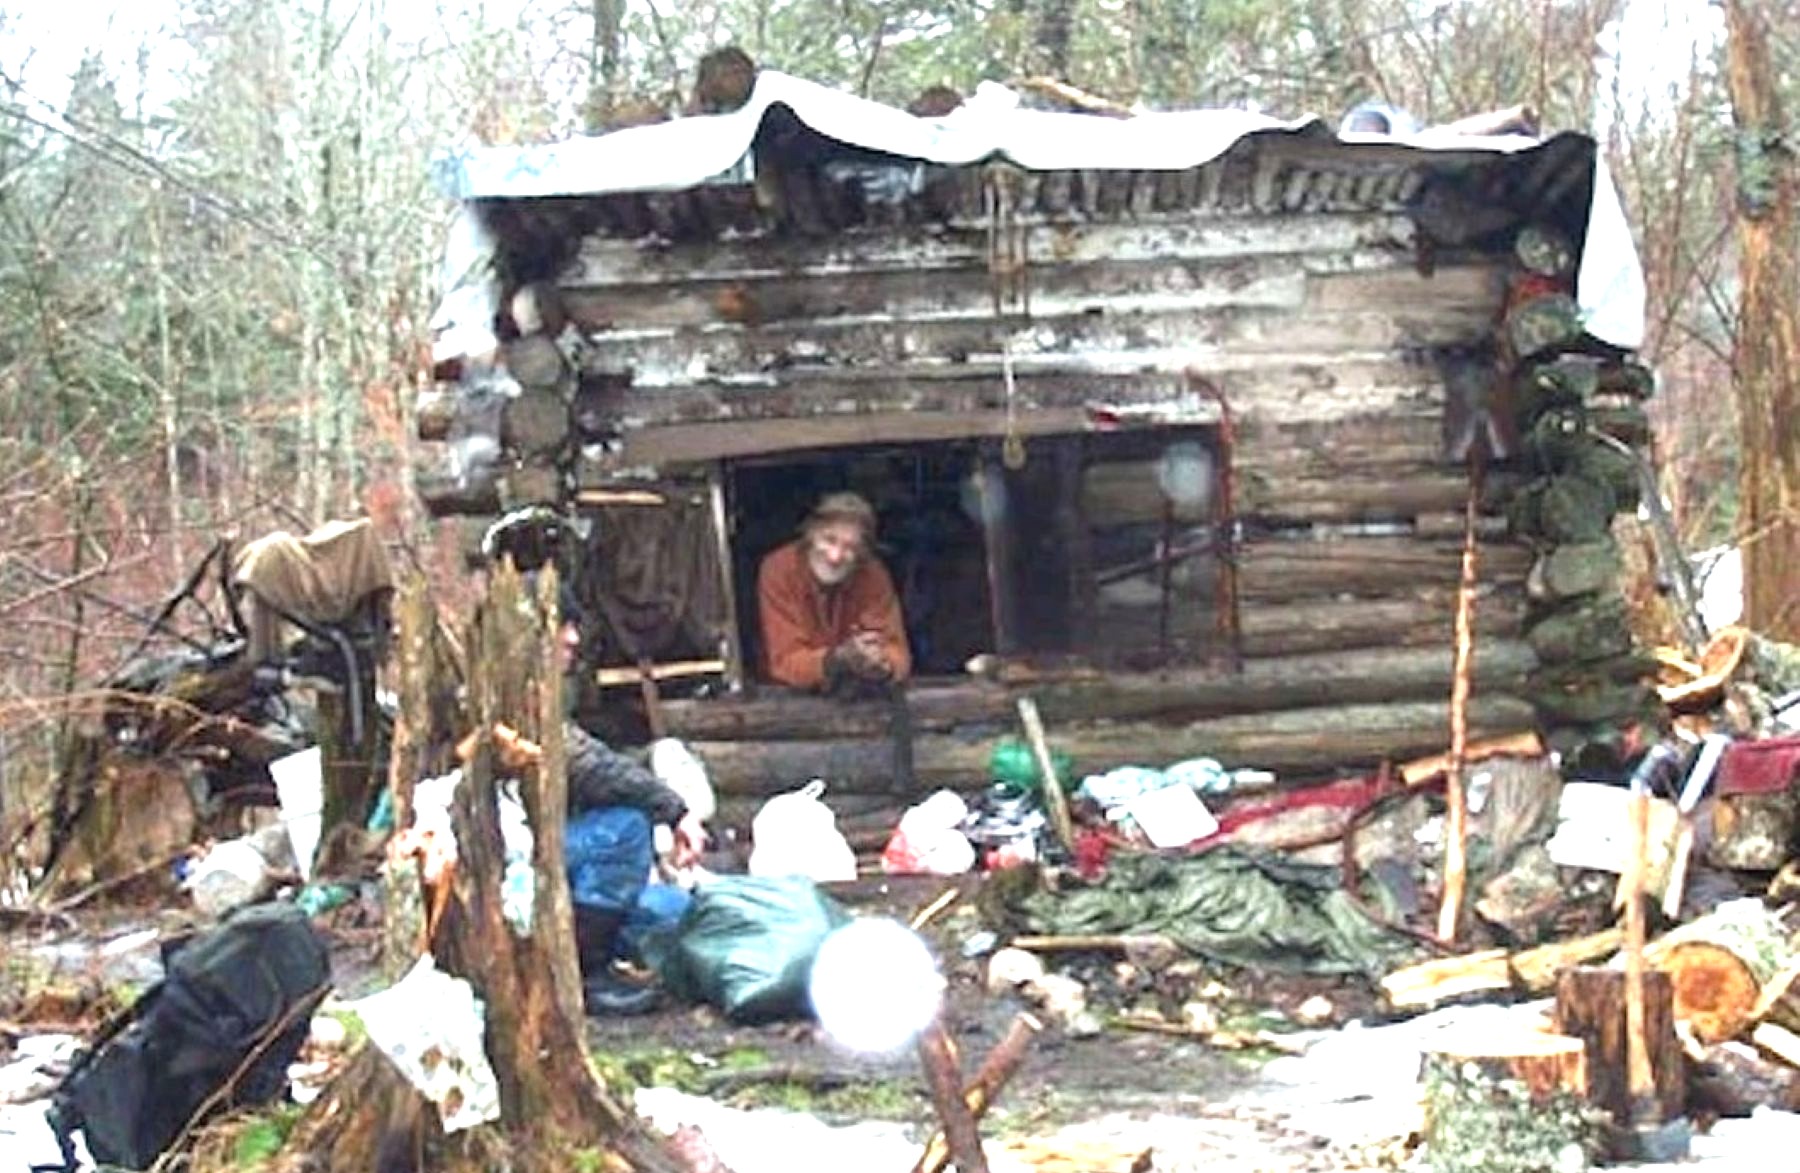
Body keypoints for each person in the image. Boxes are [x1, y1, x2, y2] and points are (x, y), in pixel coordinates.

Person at [552, 605, 706, 1014]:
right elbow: (587, 766)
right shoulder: (511, 696)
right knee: (624, 832)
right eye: (559, 626)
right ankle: (585, 975)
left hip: (539, 853)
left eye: (572, 625)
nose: (573, 638)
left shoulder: (545, 696)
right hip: (506, 860)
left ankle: (600, 954)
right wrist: (674, 811)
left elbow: (595, 761)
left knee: (672, 913)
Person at [756, 491, 912, 696]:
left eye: (850, 547)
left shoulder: (872, 574)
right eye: (829, 540)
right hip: (785, 698)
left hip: (858, 698)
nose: (835, 556)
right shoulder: (780, 569)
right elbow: (785, 662)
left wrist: (880, 664)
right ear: (810, 533)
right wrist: (838, 658)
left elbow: (897, 653)